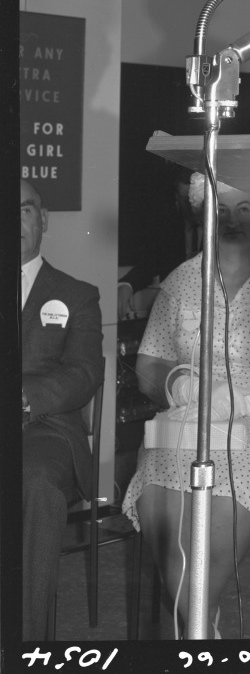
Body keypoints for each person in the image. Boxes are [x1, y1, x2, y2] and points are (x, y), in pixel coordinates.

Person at [123, 176, 250, 637]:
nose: (232, 221)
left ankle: (193, 629)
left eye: (244, 209)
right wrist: (179, 385)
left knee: (227, 478)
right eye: (221, 210)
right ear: (202, 214)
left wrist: (242, 398)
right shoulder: (182, 281)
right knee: (159, 469)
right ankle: (198, 630)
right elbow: (150, 360)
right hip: (187, 416)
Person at [20, 178, 105, 640]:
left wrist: (28, 396)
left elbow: (85, 372)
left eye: (25, 209)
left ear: (43, 219)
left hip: (45, 429)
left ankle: (25, 642)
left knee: (34, 483)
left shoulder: (76, 294)